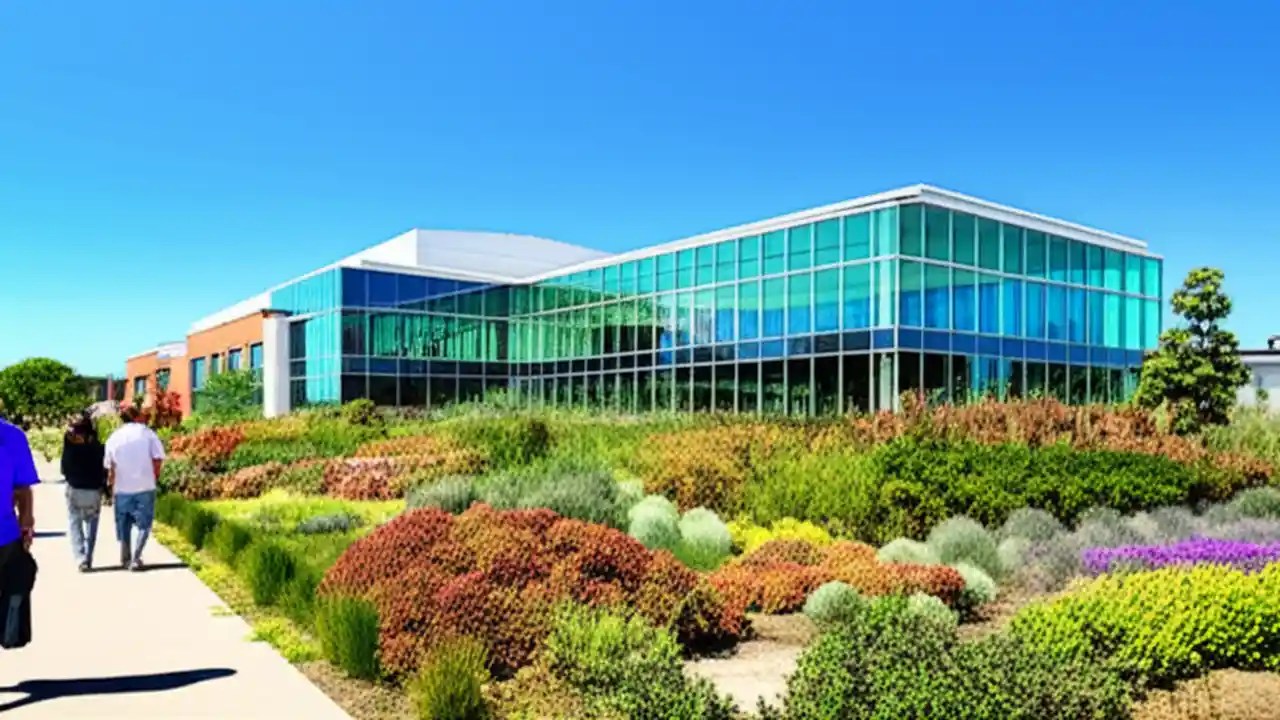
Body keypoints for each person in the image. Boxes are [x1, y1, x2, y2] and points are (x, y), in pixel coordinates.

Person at [103, 407, 165, 571]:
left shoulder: (114, 437)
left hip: (122, 488)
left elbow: (110, 466)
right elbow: (158, 458)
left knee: (123, 525)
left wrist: (111, 486)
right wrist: (155, 475)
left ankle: (125, 557)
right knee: (144, 525)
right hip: (145, 485)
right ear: (137, 416)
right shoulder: (147, 434)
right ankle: (136, 558)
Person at [61, 413, 106, 572]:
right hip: (94, 488)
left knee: (75, 523)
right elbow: (104, 468)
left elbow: (64, 468)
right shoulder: (98, 446)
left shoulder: (70, 445)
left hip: (74, 486)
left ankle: (80, 557)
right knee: (91, 525)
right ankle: (88, 557)